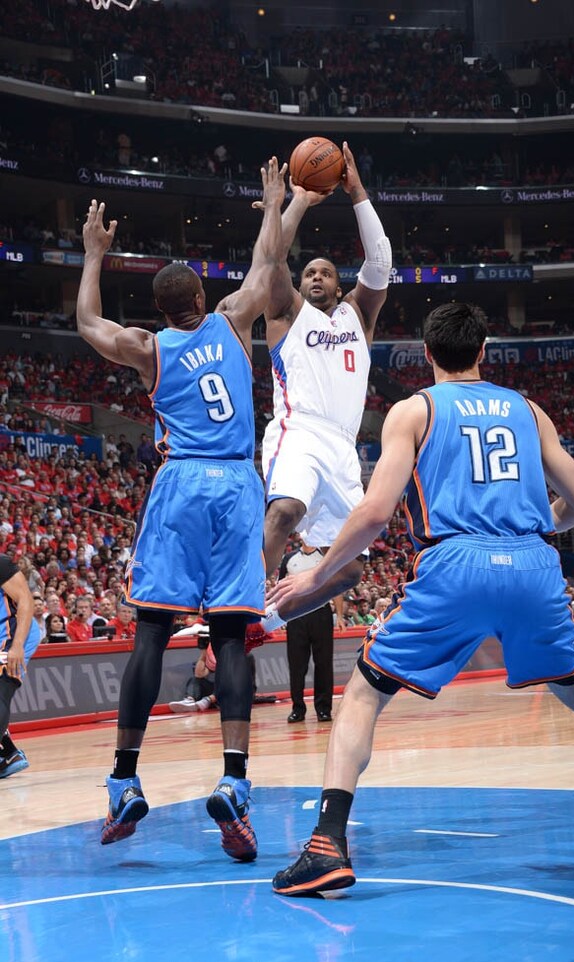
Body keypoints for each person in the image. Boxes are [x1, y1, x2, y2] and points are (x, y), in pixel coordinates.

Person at [268, 301, 574, 897]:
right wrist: (526, 529)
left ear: (426, 352)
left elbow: (375, 512)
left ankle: (327, 845)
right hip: (532, 561)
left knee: (363, 693)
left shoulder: (414, 410)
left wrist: (315, 578)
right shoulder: (529, 410)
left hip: (455, 563)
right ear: (483, 350)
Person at [76, 157, 287, 856]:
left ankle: (124, 779)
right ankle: (233, 780)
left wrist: (94, 254)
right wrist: (274, 205)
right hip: (237, 485)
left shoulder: (148, 348)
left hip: (181, 486)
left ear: (162, 311)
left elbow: (88, 322)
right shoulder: (233, 319)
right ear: (201, 294)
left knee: (150, 633)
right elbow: (266, 266)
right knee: (229, 636)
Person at [258, 140, 391, 630]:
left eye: (326, 273)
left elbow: (381, 261)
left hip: (343, 447)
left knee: (349, 570)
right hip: (299, 431)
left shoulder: (359, 315)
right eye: (309, 272)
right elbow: (272, 261)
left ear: (339, 285)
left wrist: (357, 192)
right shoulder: (286, 313)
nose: (316, 277)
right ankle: (237, 607)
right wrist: (295, 203)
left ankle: (265, 622)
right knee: (285, 511)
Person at [280, 542, 335, 724]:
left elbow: (336, 584)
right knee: (297, 665)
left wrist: (341, 615)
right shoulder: (289, 559)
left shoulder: (325, 556)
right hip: (296, 615)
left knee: (324, 663)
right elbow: (281, 588)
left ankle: (324, 709)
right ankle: (297, 708)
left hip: (321, 612)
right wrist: (279, 616)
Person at [0, 553, 40, 778]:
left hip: (14, 632)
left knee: (2, 686)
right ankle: (8, 754)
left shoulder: (1, 563)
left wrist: (16, 647)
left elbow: (26, 600)